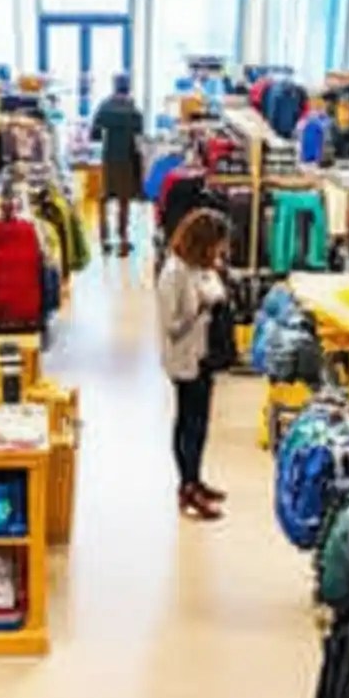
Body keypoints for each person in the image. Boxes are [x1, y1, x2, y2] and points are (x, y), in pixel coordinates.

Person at [156, 209, 230, 521]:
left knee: (199, 423)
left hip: (203, 356)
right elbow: (171, 325)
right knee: (189, 423)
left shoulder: (199, 268)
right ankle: (187, 486)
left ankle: (195, 479)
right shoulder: (174, 273)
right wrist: (200, 309)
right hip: (185, 358)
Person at [90, 73, 143, 256]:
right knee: (124, 200)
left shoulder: (105, 107)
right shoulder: (133, 109)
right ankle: (123, 239)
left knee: (104, 198)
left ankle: (104, 239)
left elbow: (94, 134)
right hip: (127, 158)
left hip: (109, 157)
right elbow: (139, 133)